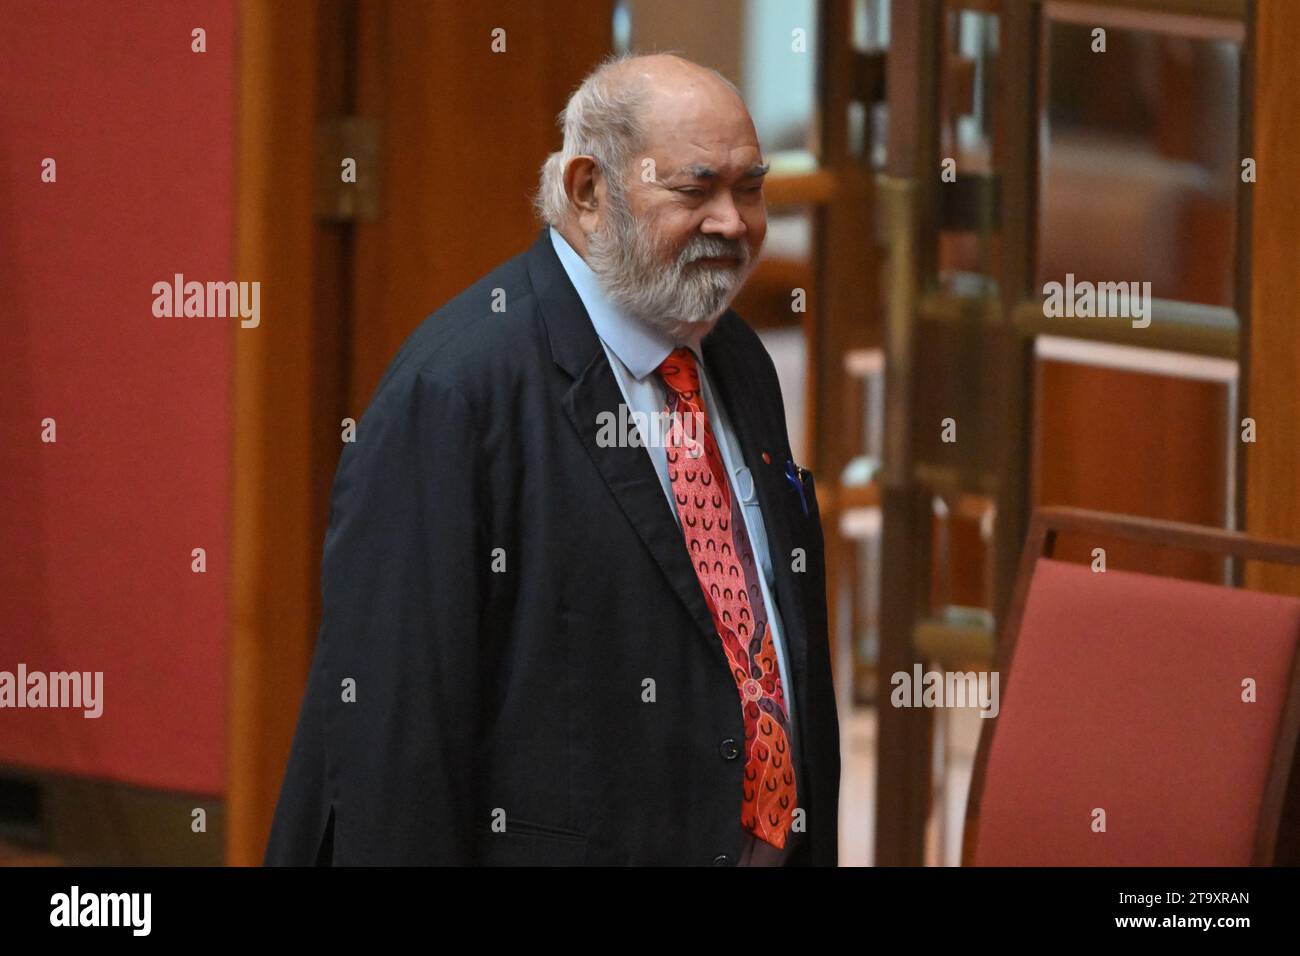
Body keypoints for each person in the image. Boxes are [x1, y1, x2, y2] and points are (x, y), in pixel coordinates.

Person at [264, 51, 840, 866]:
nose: (733, 223)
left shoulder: (735, 356)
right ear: (588, 190)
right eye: (695, 190)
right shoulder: (456, 393)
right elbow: (397, 747)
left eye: (749, 189)